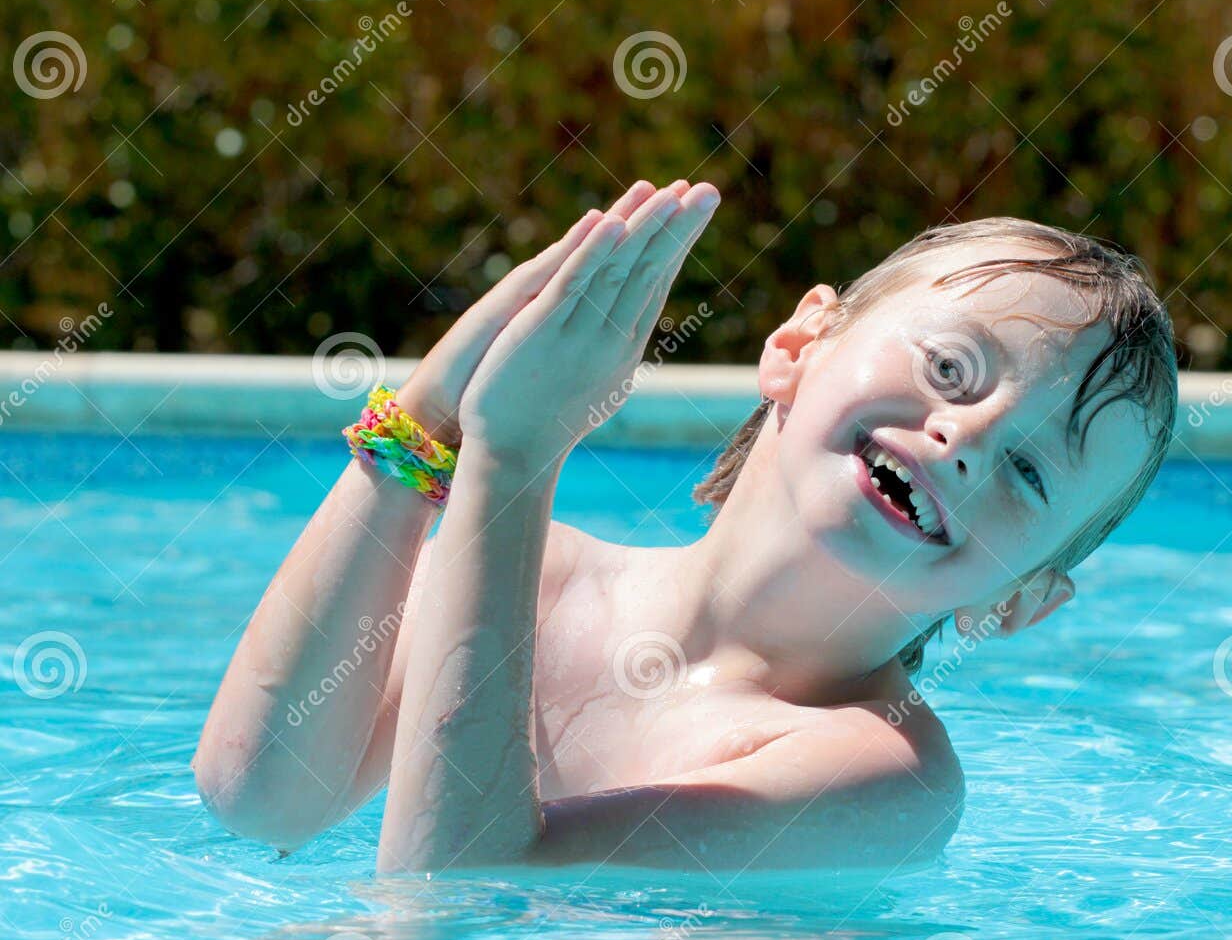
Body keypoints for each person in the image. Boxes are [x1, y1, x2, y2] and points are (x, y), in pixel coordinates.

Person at [192, 178, 1177, 874]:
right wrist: (434, 408)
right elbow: (258, 794)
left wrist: (516, 453)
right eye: (952, 367)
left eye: (1028, 470)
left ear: (1018, 603)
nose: (961, 440)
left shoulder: (881, 775)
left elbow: (459, 907)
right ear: (798, 344)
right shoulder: (530, 581)